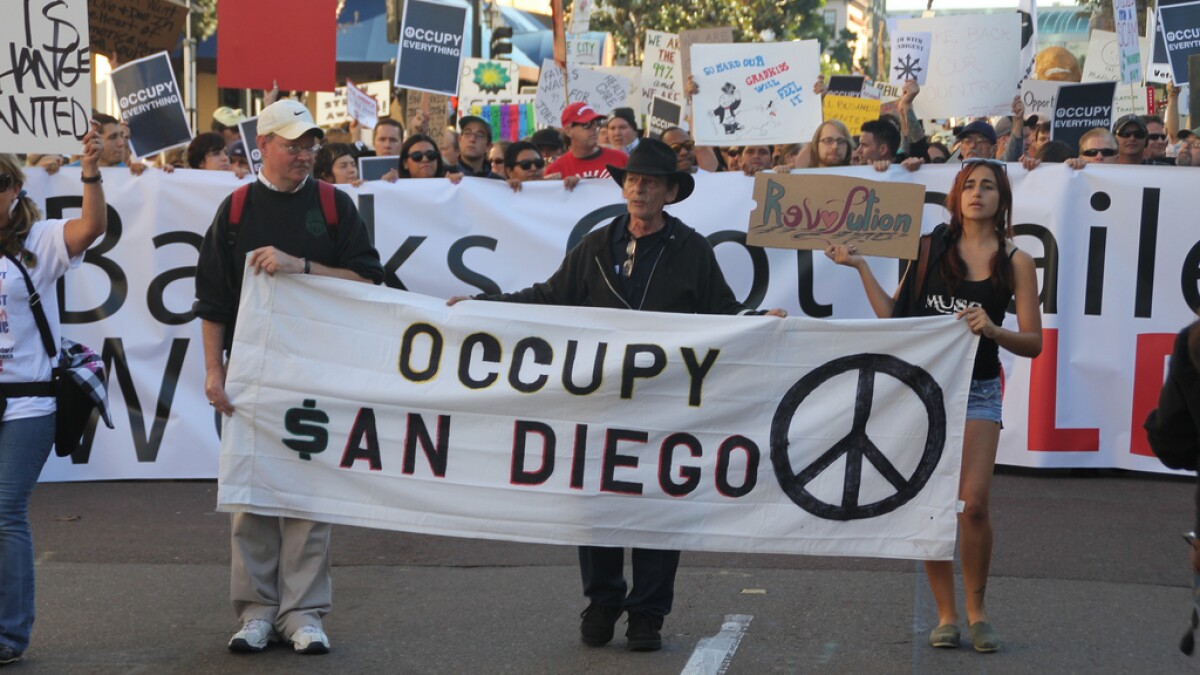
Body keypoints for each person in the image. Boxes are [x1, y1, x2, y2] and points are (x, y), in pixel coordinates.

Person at [447, 139, 785, 652]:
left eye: (650, 181)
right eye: (632, 179)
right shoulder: (598, 245)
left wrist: (760, 323)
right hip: (602, 401)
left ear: (671, 192)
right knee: (598, 504)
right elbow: (548, 297)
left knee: (661, 505)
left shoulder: (691, 249)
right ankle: (603, 599)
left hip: (668, 402)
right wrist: (480, 306)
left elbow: (723, 310)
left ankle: (647, 612)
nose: (638, 188)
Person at [825, 157, 1042, 654]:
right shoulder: (926, 250)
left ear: (1002, 199)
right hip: (924, 395)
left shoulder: (1016, 261)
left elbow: (1033, 342)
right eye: (969, 185)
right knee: (932, 505)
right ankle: (946, 614)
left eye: (988, 186)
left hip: (981, 389)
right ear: (956, 195)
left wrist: (993, 328)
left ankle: (978, 610)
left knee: (974, 504)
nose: (977, 194)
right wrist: (860, 266)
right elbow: (893, 319)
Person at [193, 99, 384, 657]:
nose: (304, 154)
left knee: (310, 493)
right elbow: (212, 302)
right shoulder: (233, 210)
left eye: (311, 145)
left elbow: (367, 280)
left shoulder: (333, 205)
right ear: (264, 147)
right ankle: (256, 611)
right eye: (293, 144)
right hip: (252, 375)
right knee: (251, 493)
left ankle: (302, 612)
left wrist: (302, 267)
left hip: (319, 373)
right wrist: (213, 370)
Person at [0, 129, 108, 667]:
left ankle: (9, 636)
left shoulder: (38, 241)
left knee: (4, 510)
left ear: (15, 187)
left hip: (27, 402)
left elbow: (91, 228)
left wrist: (90, 169)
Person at [544, 102, 628, 189]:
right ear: (568, 131)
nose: (594, 128)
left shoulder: (620, 158)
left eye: (596, 123)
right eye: (586, 124)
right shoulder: (555, 170)